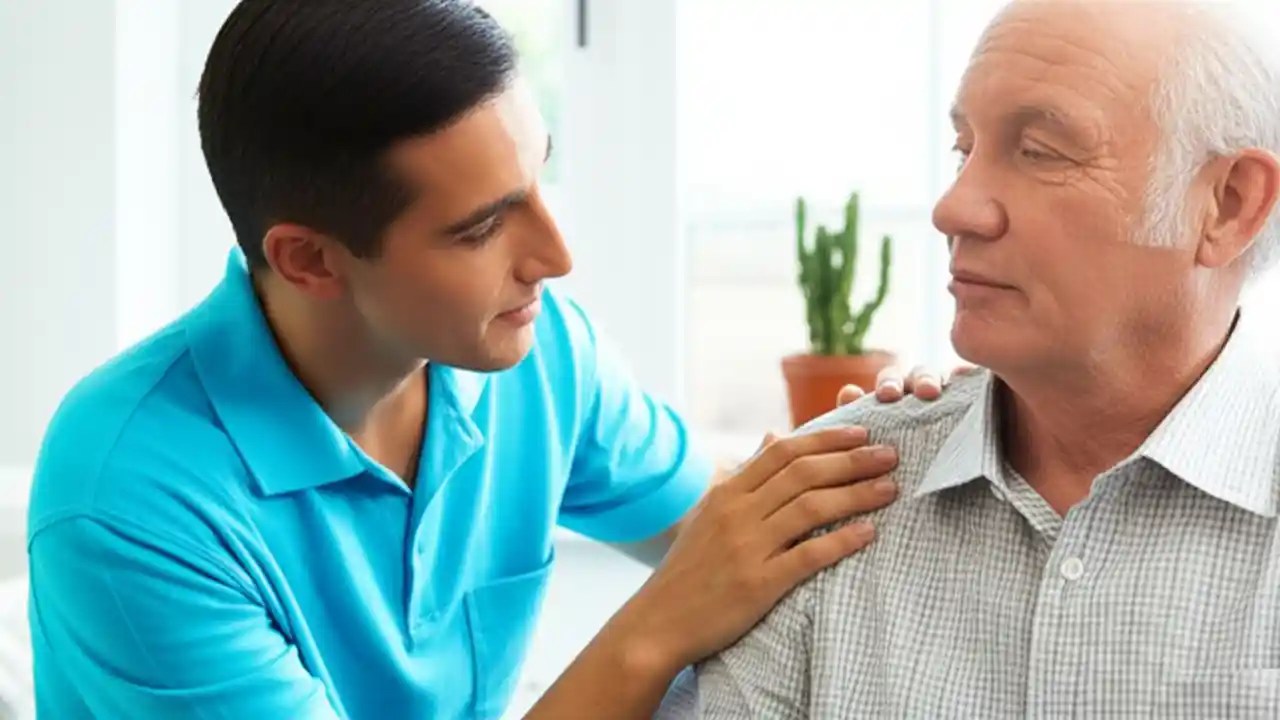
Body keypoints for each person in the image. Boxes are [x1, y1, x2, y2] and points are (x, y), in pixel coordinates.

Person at [24, 2, 952, 718]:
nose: (555, 255)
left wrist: (897, 445)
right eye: (479, 228)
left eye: (539, 177)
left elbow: (735, 536)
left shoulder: (539, 356)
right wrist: (656, 627)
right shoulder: (127, 497)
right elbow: (694, 582)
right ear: (310, 260)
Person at [664, 0, 1280, 717]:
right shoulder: (820, 506)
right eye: (965, 148)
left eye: (1041, 153)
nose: (954, 209)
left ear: (1229, 205)